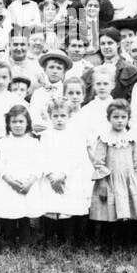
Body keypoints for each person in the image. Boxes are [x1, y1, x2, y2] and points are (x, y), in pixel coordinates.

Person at [88, 99, 137, 253]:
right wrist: (101, 183)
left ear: (128, 118)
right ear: (109, 118)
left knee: (127, 212)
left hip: (128, 181)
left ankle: (125, 245)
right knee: (110, 214)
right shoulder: (104, 139)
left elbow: (136, 161)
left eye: (123, 117)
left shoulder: (131, 138)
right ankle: (108, 246)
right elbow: (99, 162)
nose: (120, 120)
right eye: (116, 117)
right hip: (110, 181)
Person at [38, 98, 94, 247]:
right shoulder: (46, 135)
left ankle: (67, 240)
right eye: (55, 116)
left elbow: (78, 157)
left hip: (69, 176)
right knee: (50, 206)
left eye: (63, 116)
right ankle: (48, 239)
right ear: (50, 117)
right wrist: (50, 176)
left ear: (69, 116)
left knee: (68, 206)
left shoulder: (75, 135)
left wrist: (63, 175)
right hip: (50, 177)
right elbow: (42, 157)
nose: (59, 119)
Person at [0, 103, 44, 247]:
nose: (18, 125)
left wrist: (30, 182)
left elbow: (38, 165)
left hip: (27, 184)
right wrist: (11, 182)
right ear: (8, 124)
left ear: (27, 124)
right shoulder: (3, 143)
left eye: (21, 121)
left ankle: (25, 242)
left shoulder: (33, 143)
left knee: (24, 214)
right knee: (9, 213)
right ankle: (8, 241)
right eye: (14, 122)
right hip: (9, 184)